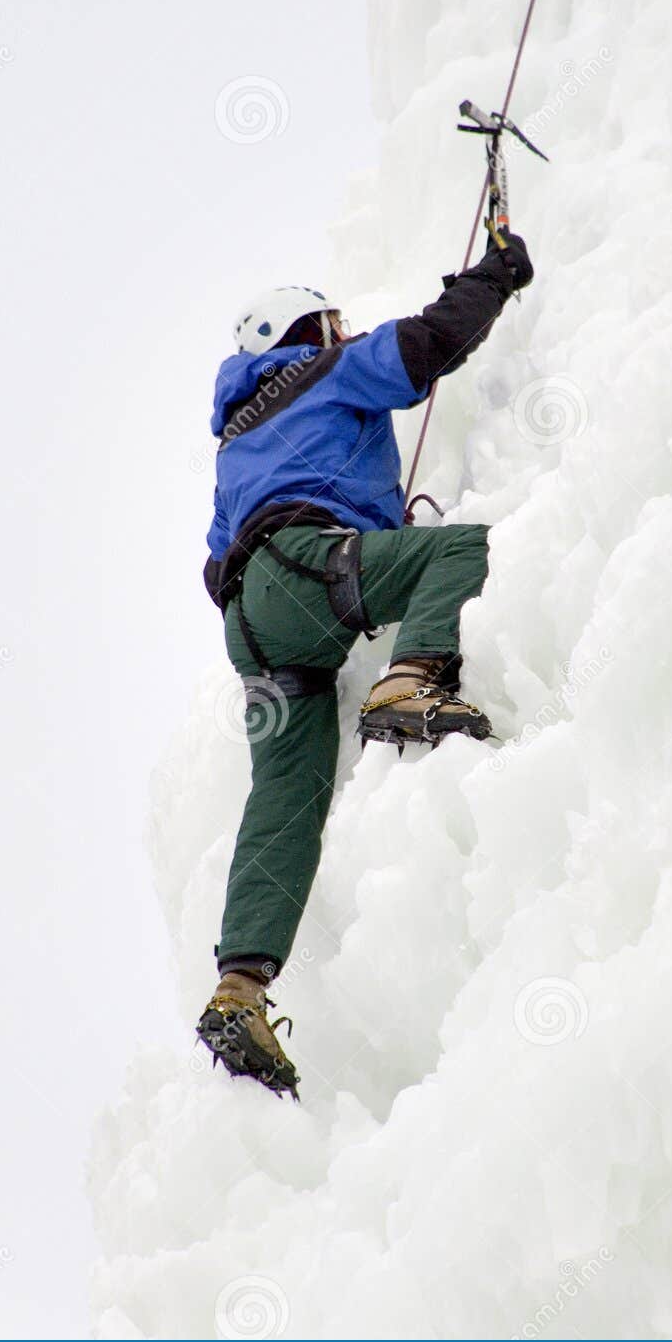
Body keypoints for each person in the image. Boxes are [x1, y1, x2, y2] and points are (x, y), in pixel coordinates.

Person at [197, 234, 534, 1096]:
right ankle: (411, 677)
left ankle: (240, 988)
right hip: (307, 570)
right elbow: (425, 345)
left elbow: (212, 561)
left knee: (284, 801)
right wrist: (491, 279)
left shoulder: (235, 443)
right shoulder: (328, 370)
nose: (341, 330)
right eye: (329, 321)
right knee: (456, 551)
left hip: (253, 623)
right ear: (301, 333)